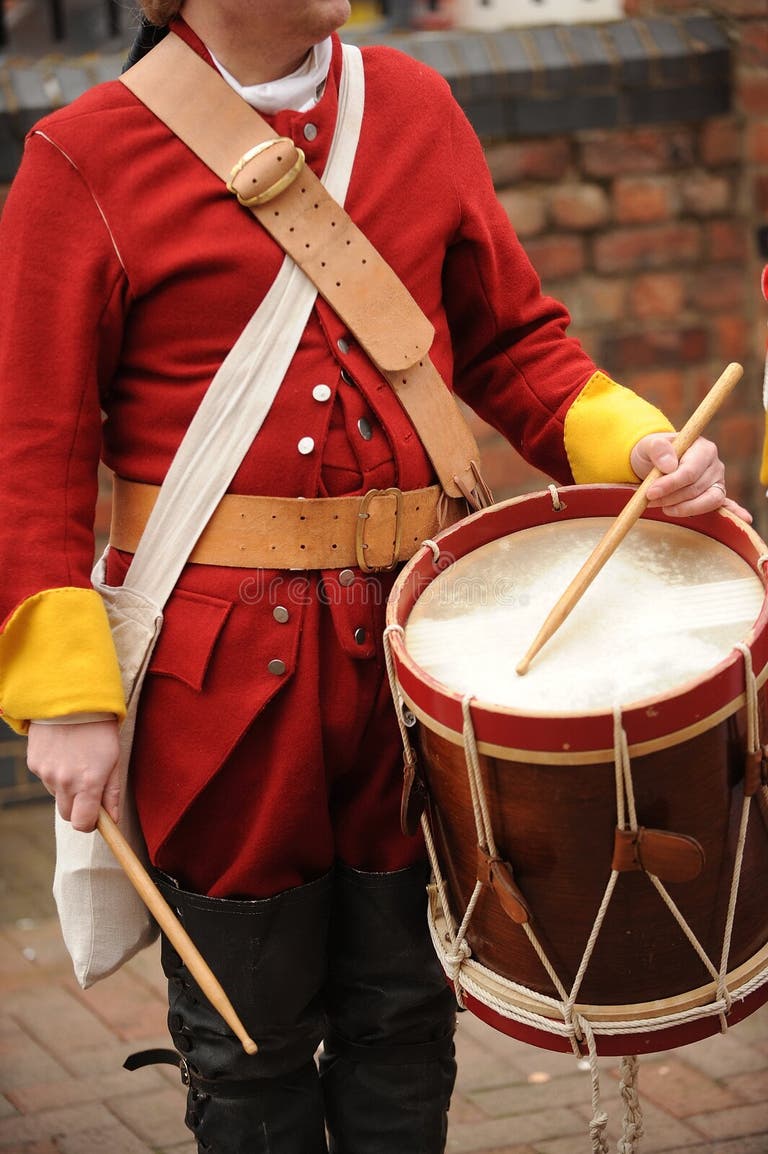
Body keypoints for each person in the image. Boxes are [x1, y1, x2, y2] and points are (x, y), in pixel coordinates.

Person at [0, 2, 751, 1151]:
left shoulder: (413, 104)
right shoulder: (81, 156)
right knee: (250, 1038)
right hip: (226, 689)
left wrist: (635, 447)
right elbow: (31, 448)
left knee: (406, 1010)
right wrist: (66, 694)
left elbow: (513, 344)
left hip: (414, 646)